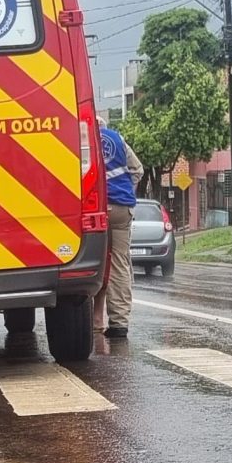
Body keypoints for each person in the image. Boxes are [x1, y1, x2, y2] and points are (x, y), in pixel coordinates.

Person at [98, 124, 137, 340]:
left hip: (97, 208)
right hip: (122, 208)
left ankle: (93, 320)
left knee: (93, 262)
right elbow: (137, 169)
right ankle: (119, 323)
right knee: (120, 264)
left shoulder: (80, 135)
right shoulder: (118, 138)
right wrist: (126, 191)